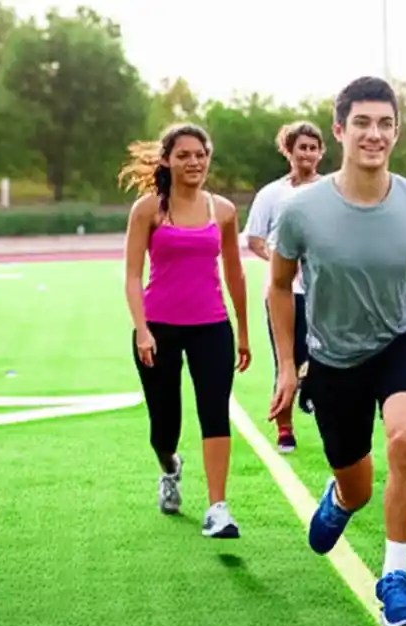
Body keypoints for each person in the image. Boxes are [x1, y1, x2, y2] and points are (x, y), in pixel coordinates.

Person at [268, 76, 406, 626]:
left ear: (397, 131)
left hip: (400, 341)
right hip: (335, 359)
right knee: (360, 484)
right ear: (340, 130)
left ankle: (394, 576)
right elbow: (278, 285)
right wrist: (287, 367)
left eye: (385, 123)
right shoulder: (300, 210)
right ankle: (341, 499)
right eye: (362, 123)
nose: (375, 134)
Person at [118, 123, 251, 538]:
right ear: (167, 160)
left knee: (214, 414)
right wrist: (142, 330)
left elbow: (235, 273)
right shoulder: (147, 210)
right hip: (158, 330)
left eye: (200, 154)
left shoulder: (223, 211)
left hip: (211, 326)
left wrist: (243, 332)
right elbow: (131, 276)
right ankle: (169, 468)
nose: (194, 162)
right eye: (184, 155)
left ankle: (218, 508)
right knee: (165, 426)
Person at [244, 120, 325, 453]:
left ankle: (317, 401)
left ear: (321, 152)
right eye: (300, 147)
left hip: (324, 293)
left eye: (312, 147)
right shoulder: (272, 194)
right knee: (286, 358)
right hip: (285, 293)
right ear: (288, 151)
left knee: (325, 357)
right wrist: (281, 266)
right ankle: (285, 428)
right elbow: (255, 239)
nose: (306, 153)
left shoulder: (331, 189)